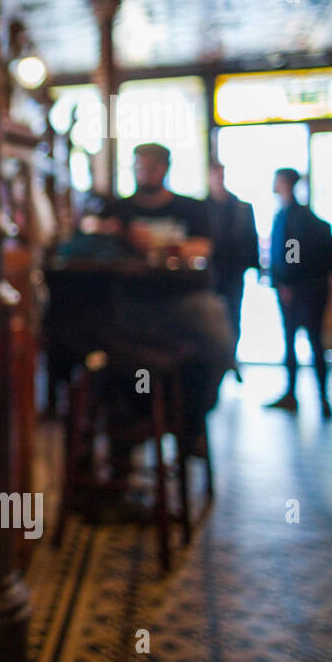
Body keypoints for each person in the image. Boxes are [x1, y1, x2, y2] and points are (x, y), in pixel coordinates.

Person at [91, 143, 236, 457]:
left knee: (220, 346)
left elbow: (202, 249)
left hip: (182, 301)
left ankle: (192, 422)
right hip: (130, 305)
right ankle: (137, 429)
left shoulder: (190, 208)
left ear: (164, 169)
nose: (144, 173)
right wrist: (110, 231)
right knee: (117, 359)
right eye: (139, 167)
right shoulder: (120, 208)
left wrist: (156, 243)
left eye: (150, 167)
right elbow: (88, 228)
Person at [266, 167, 332, 419]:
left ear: (285, 183)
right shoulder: (301, 216)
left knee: (302, 342)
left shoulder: (293, 217)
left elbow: (291, 251)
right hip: (309, 287)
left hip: (299, 290)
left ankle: (301, 395)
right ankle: (319, 397)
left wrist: (288, 282)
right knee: (313, 342)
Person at [205, 161, 259, 380]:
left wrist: (253, 265)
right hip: (210, 273)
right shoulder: (203, 207)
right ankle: (216, 360)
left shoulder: (240, 207)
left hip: (234, 272)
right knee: (211, 316)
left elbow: (250, 238)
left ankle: (230, 358)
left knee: (234, 315)